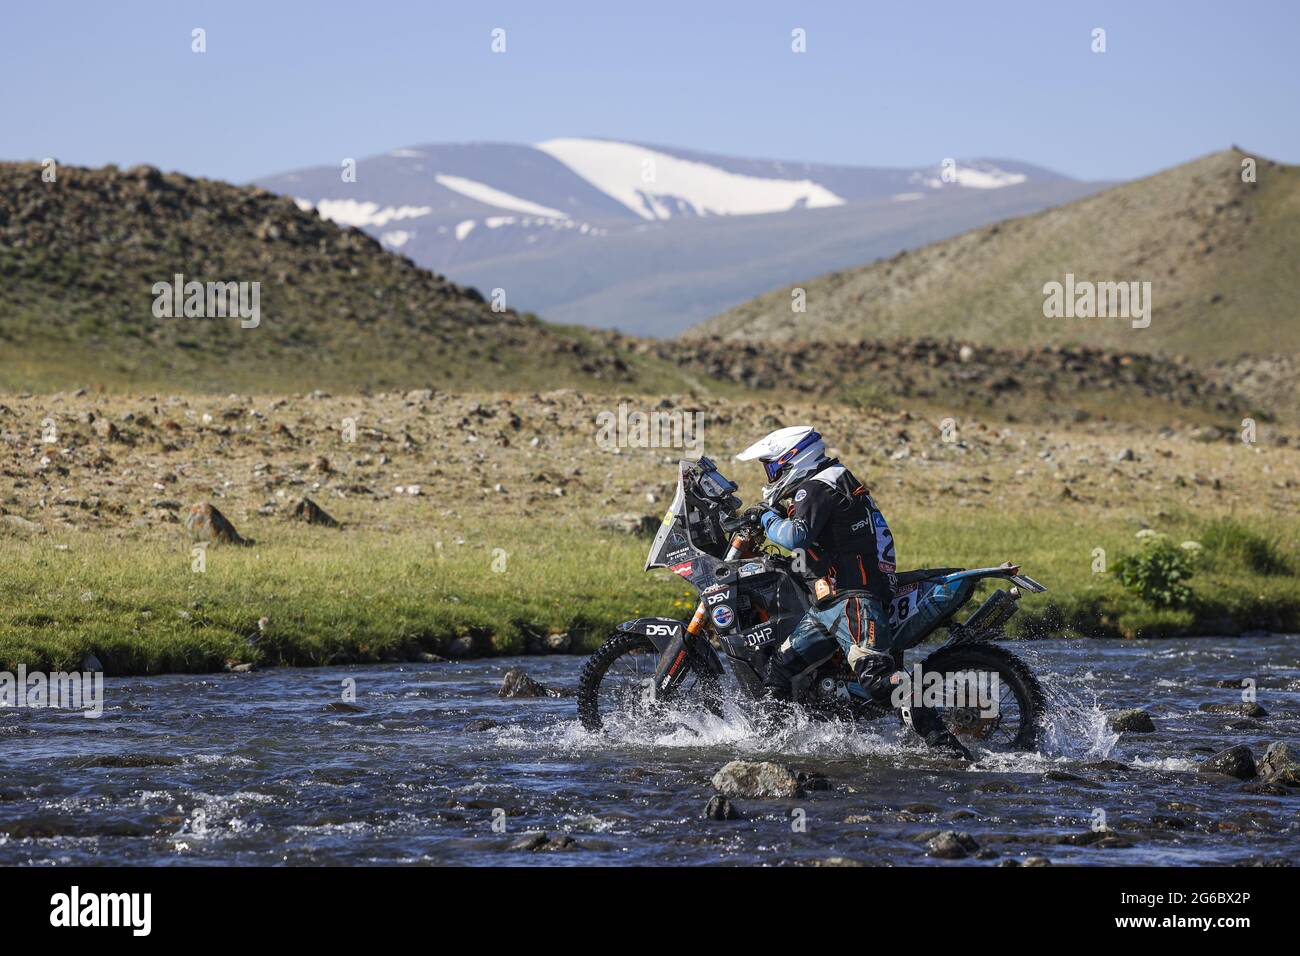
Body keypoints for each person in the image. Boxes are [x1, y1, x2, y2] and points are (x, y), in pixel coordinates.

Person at [736, 425, 970, 758]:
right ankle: (771, 746)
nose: (770, 475)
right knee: (780, 667)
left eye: (772, 466)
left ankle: (951, 752)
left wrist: (765, 520)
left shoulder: (815, 488)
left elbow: (796, 537)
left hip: (852, 601)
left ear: (793, 459)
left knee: (877, 680)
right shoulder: (834, 478)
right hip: (830, 605)